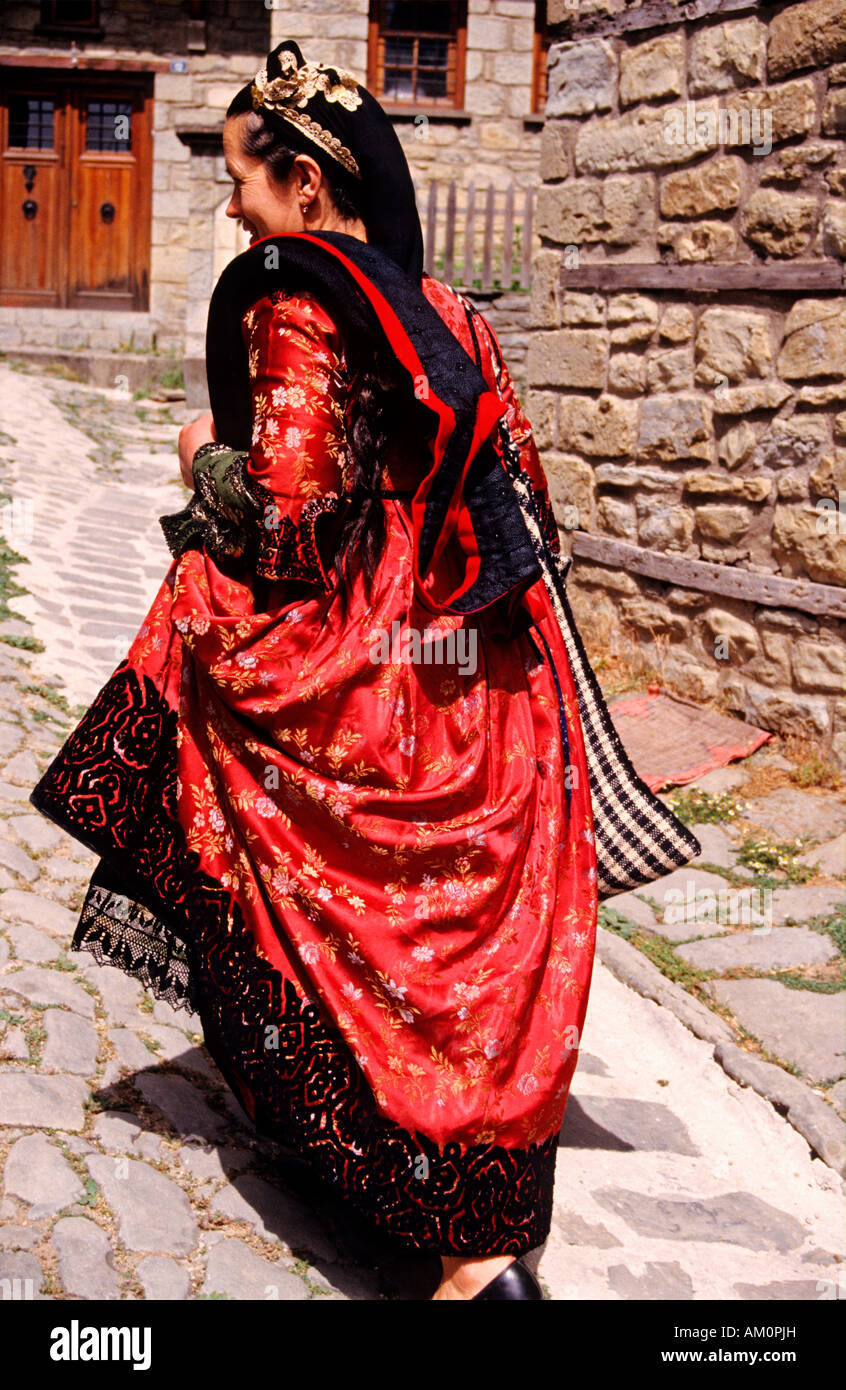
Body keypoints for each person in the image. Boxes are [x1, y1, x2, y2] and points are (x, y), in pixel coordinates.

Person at [30, 40, 599, 1301]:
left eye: (242, 179)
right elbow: (524, 508)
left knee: (212, 672)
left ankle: (468, 1250)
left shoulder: (299, 300)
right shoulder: (451, 311)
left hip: (369, 652)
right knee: (451, 924)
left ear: (299, 181)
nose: (230, 205)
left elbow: (285, 521)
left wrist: (195, 453)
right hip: (479, 665)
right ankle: (478, 1231)